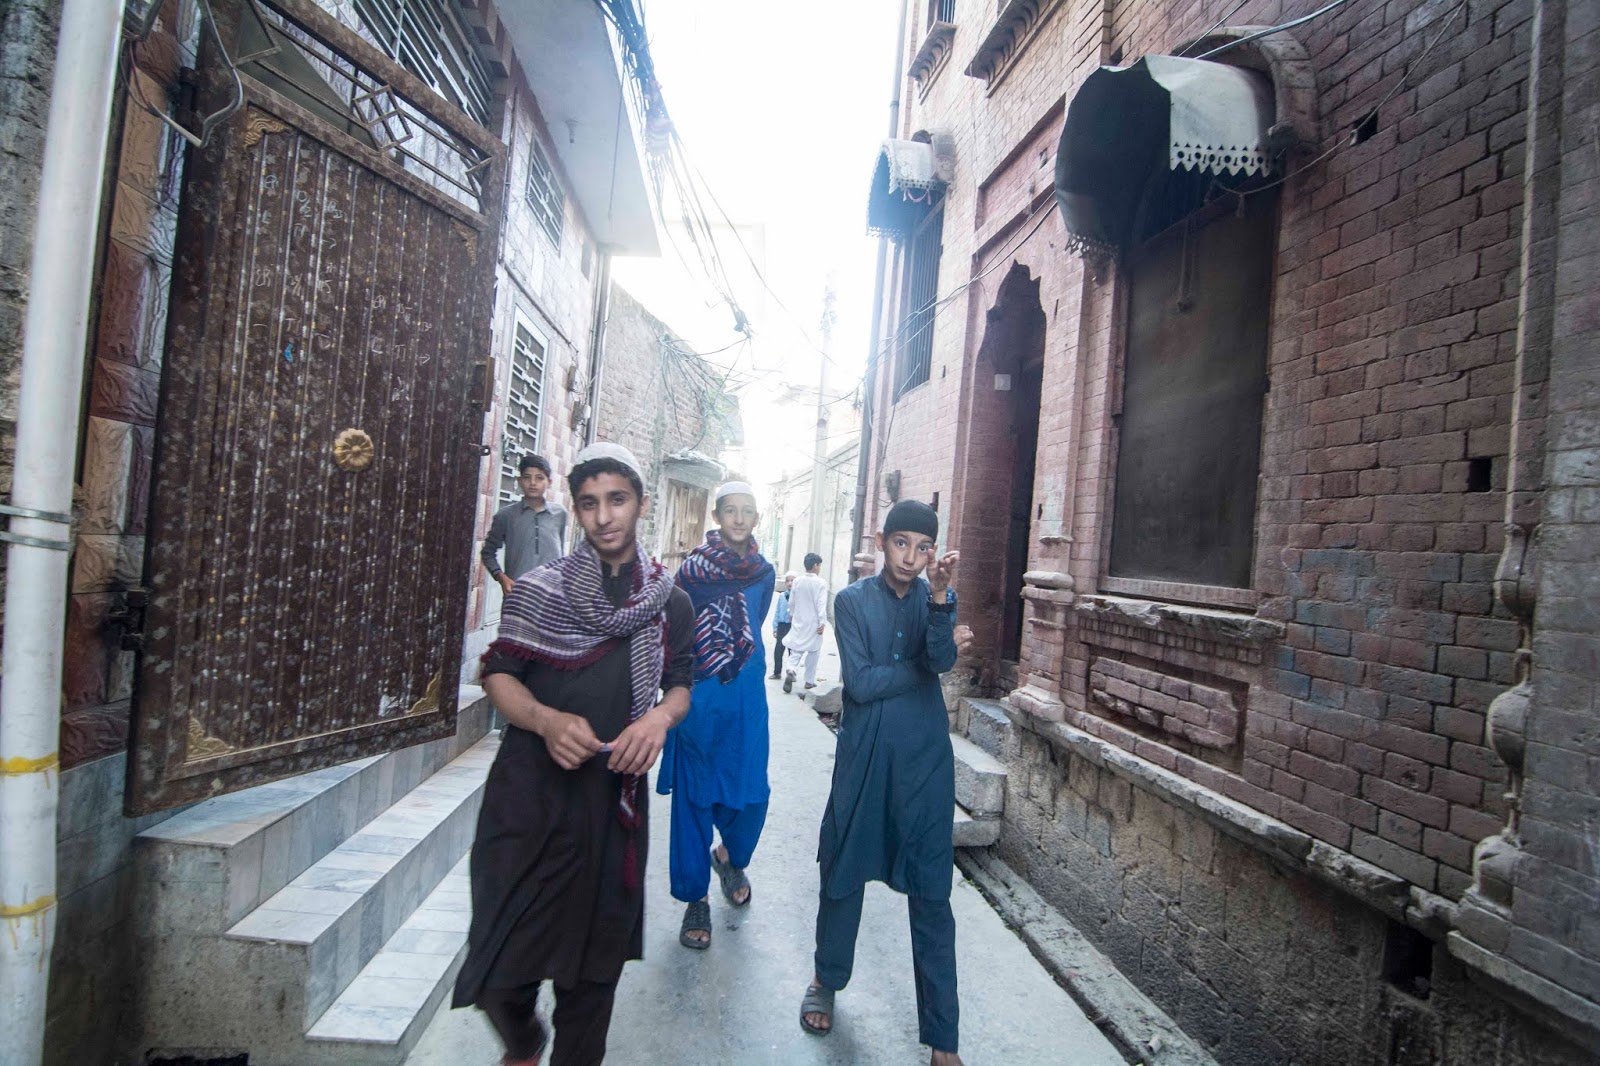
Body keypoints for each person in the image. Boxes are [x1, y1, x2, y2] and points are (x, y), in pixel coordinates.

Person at [453, 442, 694, 1066]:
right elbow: (499, 673)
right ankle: (526, 1039)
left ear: (640, 504)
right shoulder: (538, 591)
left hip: (610, 802)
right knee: (500, 970)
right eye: (588, 504)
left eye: (617, 500)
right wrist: (545, 719)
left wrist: (659, 721)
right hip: (528, 795)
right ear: (575, 511)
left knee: (591, 977)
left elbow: (680, 684)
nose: (604, 517)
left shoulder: (668, 602)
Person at [798, 500, 974, 1066]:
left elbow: (944, 661)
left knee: (931, 894)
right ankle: (827, 978)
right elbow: (865, 684)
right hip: (865, 760)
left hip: (924, 764)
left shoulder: (934, 599)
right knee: (844, 870)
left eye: (923, 548)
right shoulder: (850, 602)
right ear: (881, 540)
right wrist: (921, 665)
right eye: (901, 543)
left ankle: (942, 1037)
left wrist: (943, 599)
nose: (911, 557)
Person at [661, 482, 775, 949]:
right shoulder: (690, 573)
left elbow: (756, 619)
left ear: (756, 518)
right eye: (731, 510)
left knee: (751, 794)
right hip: (701, 696)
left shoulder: (763, 573)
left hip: (746, 697)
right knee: (694, 799)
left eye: (748, 511)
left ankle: (730, 855)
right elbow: (677, 630)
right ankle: (695, 901)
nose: (739, 518)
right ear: (717, 514)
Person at [482, 454, 569, 593]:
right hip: (518, 595)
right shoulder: (506, 516)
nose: (533, 482)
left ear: (549, 482)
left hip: (552, 597)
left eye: (539, 478)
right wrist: (501, 577)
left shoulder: (560, 514)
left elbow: (561, 555)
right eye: (527, 477)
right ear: (519, 480)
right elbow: (487, 552)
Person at [782, 553, 828, 693]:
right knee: (814, 651)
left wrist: (791, 614)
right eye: (819, 565)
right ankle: (809, 681)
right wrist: (822, 622)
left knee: (796, 649)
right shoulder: (821, 583)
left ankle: (791, 669)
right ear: (815, 565)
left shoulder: (797, 581)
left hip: (799, 620)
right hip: (813, 623)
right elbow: (821, 604)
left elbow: (791, 601)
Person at [770, 571, 797, 680]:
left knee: (793, 651)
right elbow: (777, 611)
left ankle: (792, 673)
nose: (790, 583)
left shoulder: (798, 596)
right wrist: (775, 627)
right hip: (782, 625)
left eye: (792, 581)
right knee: (778, 649)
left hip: (793, 626)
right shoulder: (782, 596)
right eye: (788, 581)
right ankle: (777, 672)